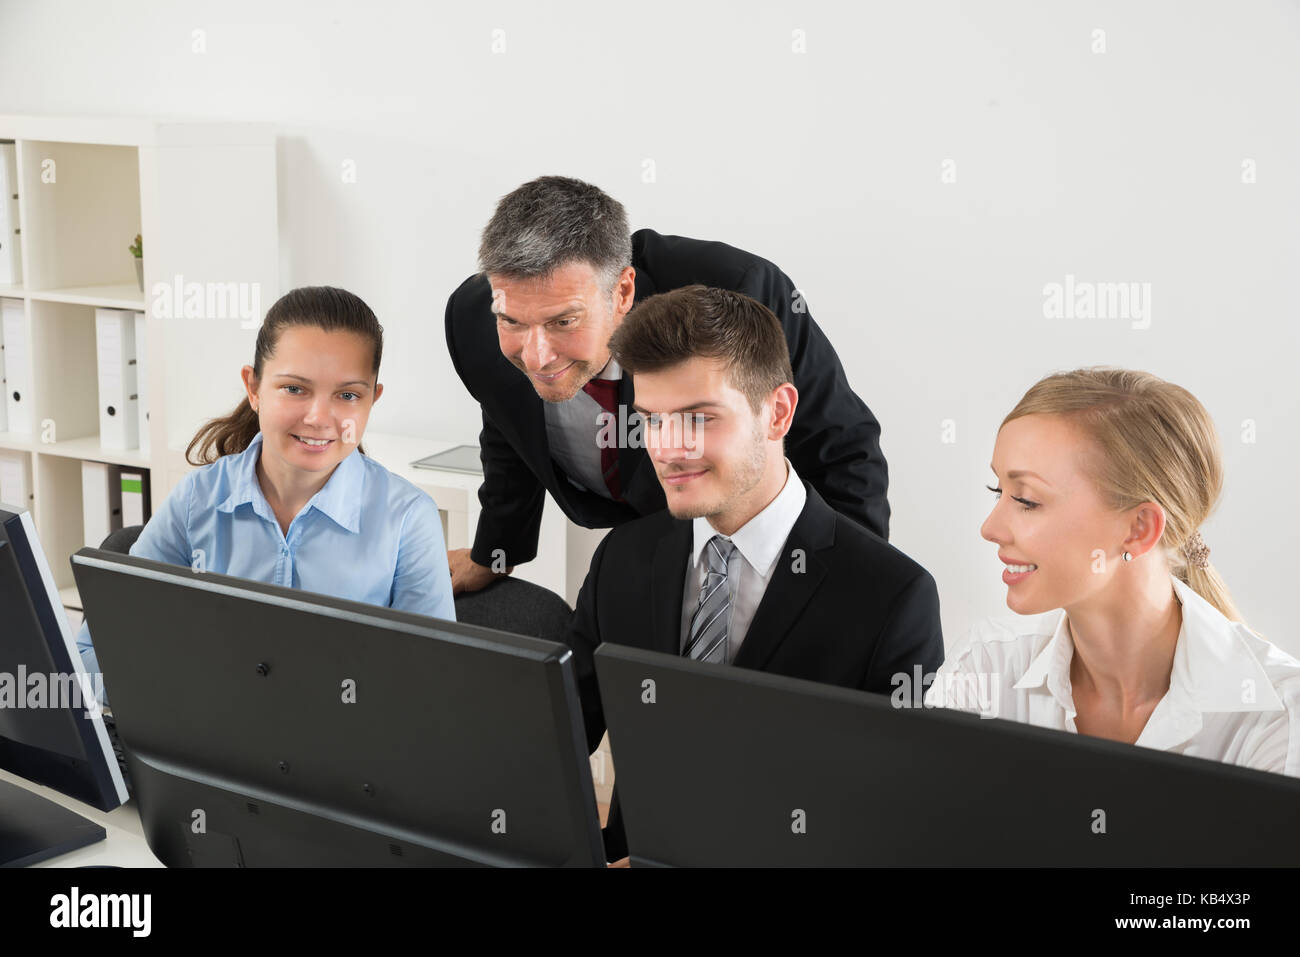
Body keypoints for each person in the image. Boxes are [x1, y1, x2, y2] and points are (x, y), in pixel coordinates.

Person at [563, 285, 944, 862]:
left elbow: (891, 826)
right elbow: (561, 738)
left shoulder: (891, 598)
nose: (667, 450)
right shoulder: (624, 556)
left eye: (699, 418)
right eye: (652, 421)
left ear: (779, 412)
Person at [445, 175, 890, 593]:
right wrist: (496, 553)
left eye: (564, 321)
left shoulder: (737, 295)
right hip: (643, 548)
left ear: (622, 293)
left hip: (758, 538)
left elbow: (840, 446)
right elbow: (508, 427)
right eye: (513, 321)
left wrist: (845, 593)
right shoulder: (474, 321)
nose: (537, 355)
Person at [77, 286, 456, 693]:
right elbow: (98, 648)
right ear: (254, 388)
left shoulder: (407, 518)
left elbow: (431, 685)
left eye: (347, 395)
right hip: (208, 737)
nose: (318, 417)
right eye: (295, 388)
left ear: (372, 400)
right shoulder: (198, 498)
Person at [926, 368, 1299, 778]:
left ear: (1138, 529)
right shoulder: (984, 669)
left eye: (1026, 500)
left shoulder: (1279, 719)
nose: (990, 529)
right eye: (998, 492)